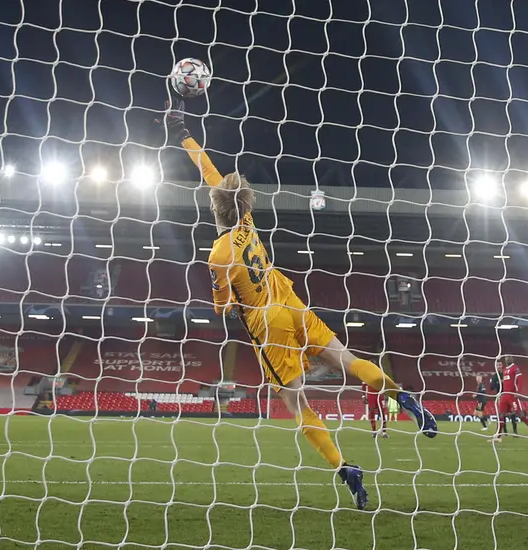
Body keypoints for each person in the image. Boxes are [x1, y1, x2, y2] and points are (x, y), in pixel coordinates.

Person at [160, 102, 401, 510]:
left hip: (266, 323)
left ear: (215, 206)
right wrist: (182, 133)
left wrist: (230, 300)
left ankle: (344, 467)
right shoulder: (248, 222)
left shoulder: (218, 254)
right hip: (288, 300)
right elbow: (211, 173)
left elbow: (221, 308)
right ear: (244, 204)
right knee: (345, 358)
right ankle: (404, 398)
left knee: (296, 403)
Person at [492, 356, 528, 443]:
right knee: (501, 415)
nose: (507, 359)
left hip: (512, 396)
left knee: (520, 415)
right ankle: (498, 436)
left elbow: (520, 380)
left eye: (509, 357)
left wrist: (518, 392)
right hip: (504, 396)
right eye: (506, 357)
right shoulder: (504, 370)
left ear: (512, 359)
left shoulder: (515, 368)